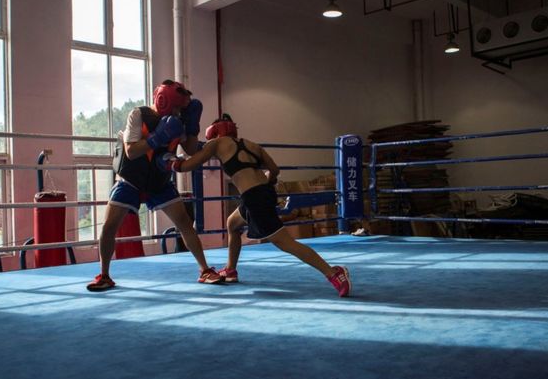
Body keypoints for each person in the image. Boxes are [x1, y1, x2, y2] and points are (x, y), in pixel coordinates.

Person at [160, 114, 351, 297]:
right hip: (263, 193)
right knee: (232, 223)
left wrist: (169, 163)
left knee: (285, 243)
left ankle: (333, 272)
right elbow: (274, 170)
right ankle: (231, 269)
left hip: (255, 198)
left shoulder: (217, 143)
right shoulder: (252, 145)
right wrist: (264, 182)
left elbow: (189, 165)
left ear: (215, 133)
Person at [87, 80, 222, 291]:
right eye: (177, 106)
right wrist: (157, 137)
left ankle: (205, 270)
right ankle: (104, 275)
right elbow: (131, 151)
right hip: (131, 179)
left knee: (185, 223)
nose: (180, 111)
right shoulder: (138, 115)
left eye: (182, 108)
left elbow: (192, 150)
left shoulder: (179, 119)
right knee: (109, 226)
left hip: (159, 181)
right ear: (163, 100)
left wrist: (192, 125)